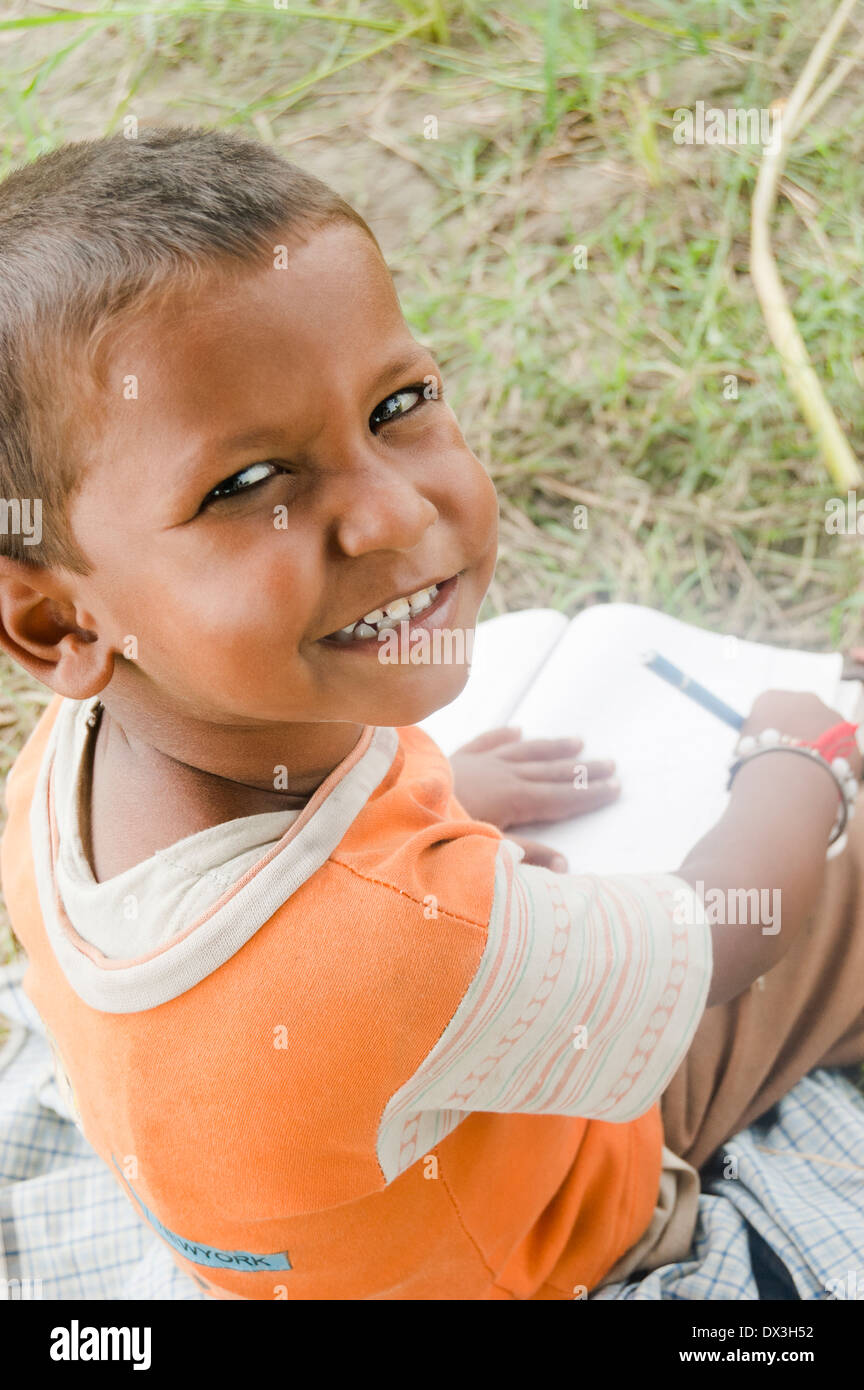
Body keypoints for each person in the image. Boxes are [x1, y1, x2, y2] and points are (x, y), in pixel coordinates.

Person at [0, 127, 861, 1301]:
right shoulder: (410, 946)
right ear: (59, 624)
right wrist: (796, 754)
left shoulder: (62, 770)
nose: (395, 513)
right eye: (248, 485)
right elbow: (726, 936)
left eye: (399, 402)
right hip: (565, 1237)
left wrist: (428, 800)